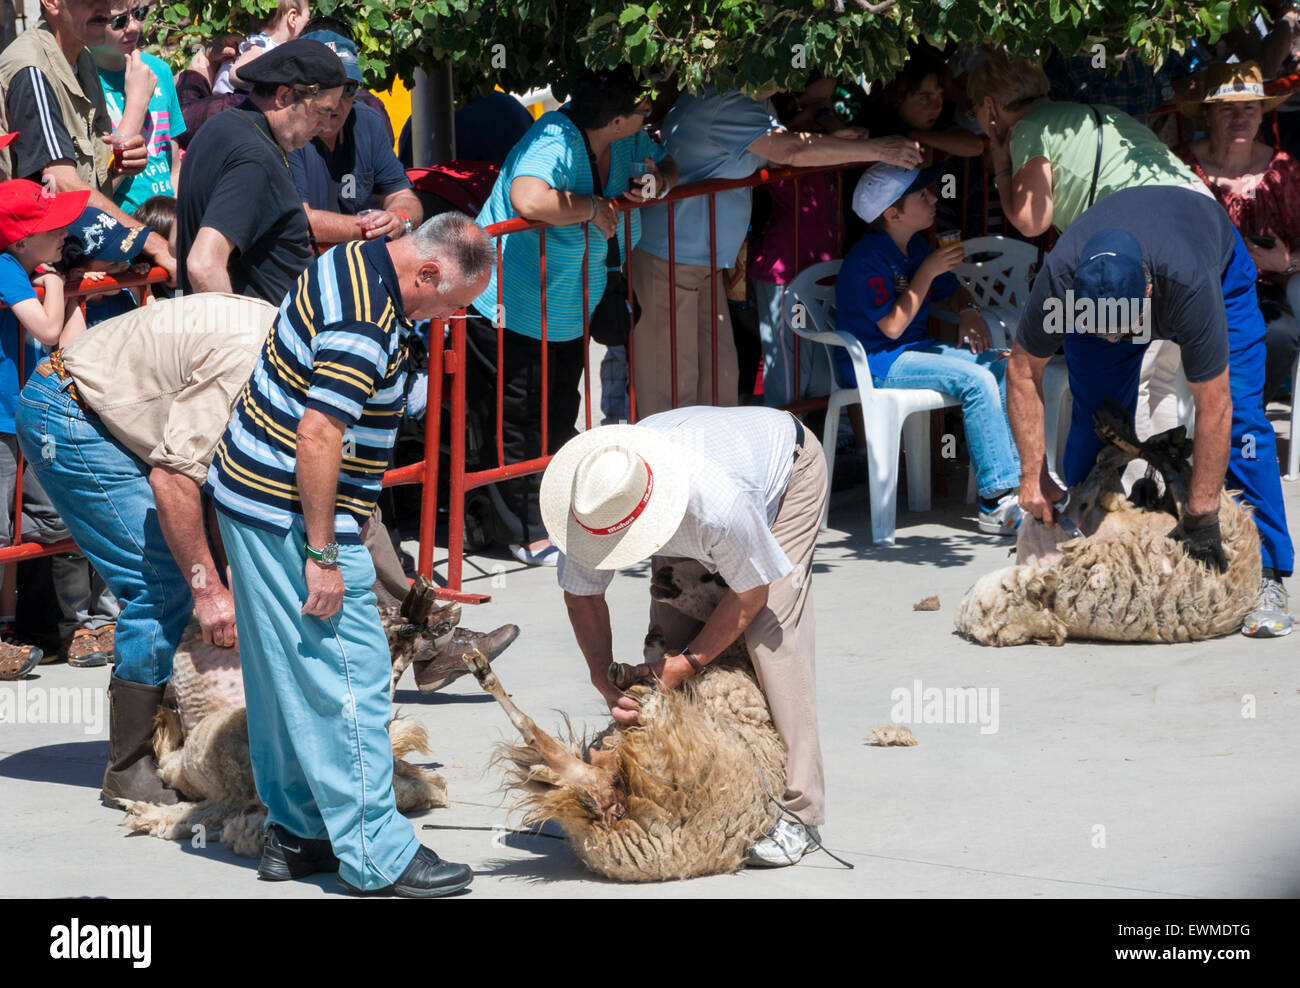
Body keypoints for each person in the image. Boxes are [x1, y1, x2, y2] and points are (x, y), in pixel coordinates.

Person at [206, 213, 494, 895]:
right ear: (426, 271)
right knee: (351, 678)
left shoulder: (362, 258)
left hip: (250, 492)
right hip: (287, 509)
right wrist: (323, 552)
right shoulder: (363, 326)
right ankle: (379, 854)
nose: (449, 319)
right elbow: (318, 436)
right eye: (452, 304)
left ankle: (300, 834)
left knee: (285, 678)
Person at [542, 405, 829, 866]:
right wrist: (602, 675)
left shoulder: (715, 508)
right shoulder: (595, 502)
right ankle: (680, 777)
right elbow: (582, 597)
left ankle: (802, 812)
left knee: (770, 635)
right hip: (690, 489)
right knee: (665, 639)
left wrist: (690, 663)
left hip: (786, 468)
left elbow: (751, 591)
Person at [15, 293, 277, 799]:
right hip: (69, 413)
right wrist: (210, 588)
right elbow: (175, 480)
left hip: (101, 406)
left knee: (186, 573)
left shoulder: (281, 340)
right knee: (163, 586)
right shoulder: (248, 360)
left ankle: (171, 735)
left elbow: (225, 483)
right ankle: (128, 768)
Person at [1006, 185, 1295, 638]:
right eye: (1097, 328)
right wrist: (1031, 473)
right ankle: (1088, 550)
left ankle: (1267, 574)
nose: (1113, 341)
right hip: (1111, 282)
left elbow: (1214, 405)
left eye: (1122, 330)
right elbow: (1023, 371)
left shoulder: (1187, 283)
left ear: (1146, 290)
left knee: (1242, 423)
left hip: (1211, 256)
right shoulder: (1061, 281)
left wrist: (1201, 516)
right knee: (1101, 415)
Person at [968, 48, 1215, 487]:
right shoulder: (1091, 112)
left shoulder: (1028, 128)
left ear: (989, 108)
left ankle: (1093, 519)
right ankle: (1182, 512)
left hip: (1132, 253)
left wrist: (1000, 164)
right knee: (1185, 388)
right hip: (1201, 230)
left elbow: (1031, 219)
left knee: (1106, 399)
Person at [465, 67, 676, 566]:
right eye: (643, 111)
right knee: (516, 419)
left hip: (568, 301)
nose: (650, 117)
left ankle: (556, 514)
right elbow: (528, 197)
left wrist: (658, 182)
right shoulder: (554, 137)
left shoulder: (628, 139)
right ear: (618, 119)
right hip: (511, 301)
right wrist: (591, 207)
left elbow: (670, 165)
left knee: (559, 408)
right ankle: (525, 531)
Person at [631, 83, 923, 419]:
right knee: (671, 385)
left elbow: (771, 151)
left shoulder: (756, 101)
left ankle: (713, 464)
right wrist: (878, 150)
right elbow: (790, 152)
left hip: (704, 260)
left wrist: (838, 144)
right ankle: (669, 470)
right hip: (670, 254)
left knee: (719, 382)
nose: (791, 75)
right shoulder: (727, 100)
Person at [837, 163, 1024, 534]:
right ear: (893, 214)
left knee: (1004, 365)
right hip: (879, 361)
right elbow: (891, 328)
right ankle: (994, 501)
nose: (935, 198)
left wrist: (967, 311)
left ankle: (1020, 483)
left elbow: (951, 289)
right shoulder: (867, 258)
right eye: (922, 195)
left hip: (914, 350)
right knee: (975, 380)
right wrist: (927, 271)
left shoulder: (916, 245)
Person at [0, 0, 174, 281]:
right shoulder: (32, 70)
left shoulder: (82, 60)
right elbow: (63, 183)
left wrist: (120, 164)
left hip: (85, 269)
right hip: (44, 285)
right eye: (92, 1)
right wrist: (153, 244)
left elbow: (89, 183)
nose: (104, 9)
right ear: (53, 3)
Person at [176, 38, 344, 302]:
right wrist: (236, 339)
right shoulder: (256, 158)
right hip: (261, 336)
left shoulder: (218, 128)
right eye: (320, 111)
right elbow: (203, 264)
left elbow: (178, 241)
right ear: (284, 96)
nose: (325, 125)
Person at [1175, 61, 1300, 407]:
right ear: (1208, 116)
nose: (1240, 118)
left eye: (1250, 108)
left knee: (1278, 335)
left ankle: (1240, 418)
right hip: (1193, 291)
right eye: (1228, 109)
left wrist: (1286, 263)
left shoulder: (1283, 171)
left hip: (1260, 292)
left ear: (1262, 115)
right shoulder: (1182, 168)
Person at [288, 31, 421, 244]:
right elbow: (300, 223)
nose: (335, 100)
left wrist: (399, 219)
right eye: (324, 87)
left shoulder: (367, 122)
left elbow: (403, 197)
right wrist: (373, 229)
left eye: (347, 88)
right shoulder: (285, 132)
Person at [91, 2, 185, 212]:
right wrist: (137, 102)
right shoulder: (83, 83)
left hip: (165, 218)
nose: (134, 27)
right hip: (120, 225)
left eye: (139, 14)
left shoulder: (159, 71)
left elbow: (173, 166)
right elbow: (95, 190)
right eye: (119, 21)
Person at [214, 0, 309, 94]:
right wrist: (269, 73)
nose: (309, 23)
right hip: (229, 101)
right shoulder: (261, 45)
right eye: (308, 18)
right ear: (292, 18)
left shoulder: (276, 47)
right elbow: (235, 75)